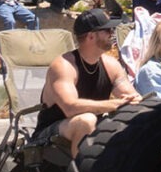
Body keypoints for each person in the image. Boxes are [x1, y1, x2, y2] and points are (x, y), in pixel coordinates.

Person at [41, 8, 134, 157]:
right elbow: (70, 108)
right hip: (53, 133)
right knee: (86, 120)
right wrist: (114, 104)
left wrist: (137, 103)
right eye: (108, 30)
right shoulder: (64, 66)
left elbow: (131, 97)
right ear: (91, 36)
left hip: (94, 127)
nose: (112, 34)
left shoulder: (111, 65)